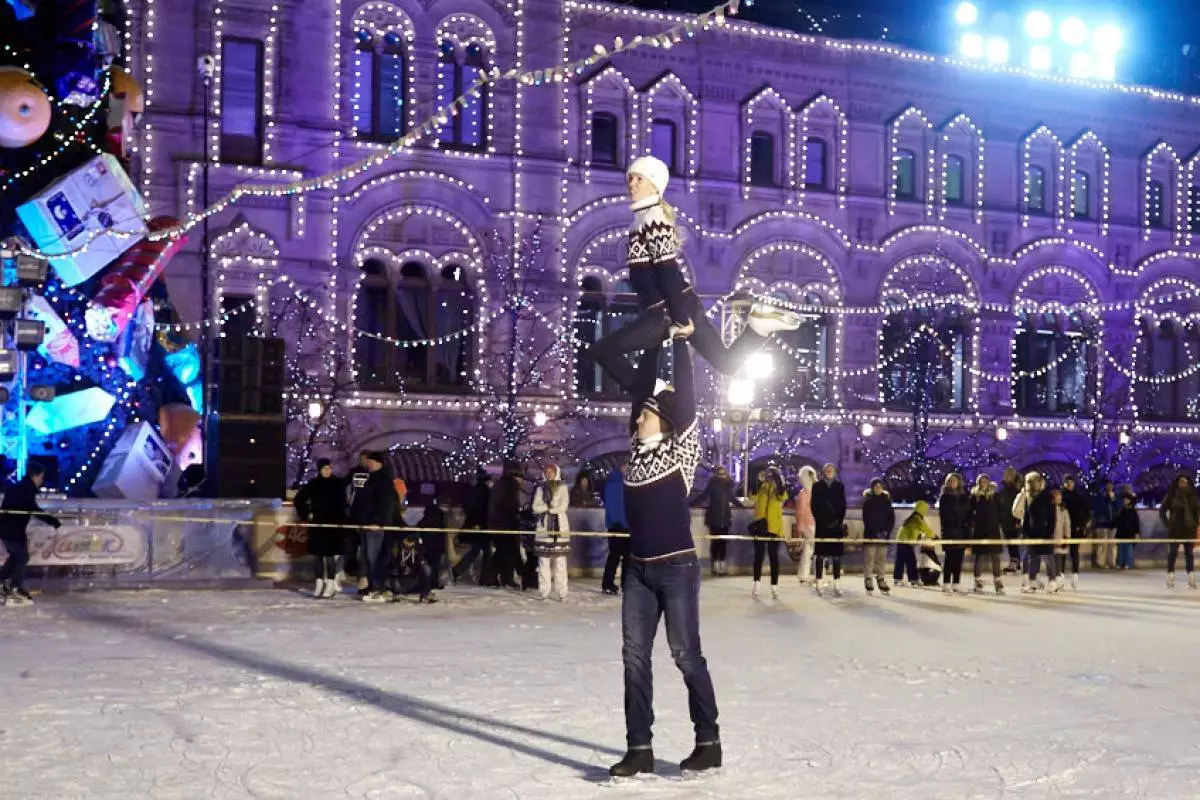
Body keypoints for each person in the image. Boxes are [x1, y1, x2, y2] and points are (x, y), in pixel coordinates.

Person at [584, 155, 801, 394]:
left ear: (654, 184)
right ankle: (758, 328)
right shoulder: (644, 218)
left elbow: (667, 269)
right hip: (679, 305)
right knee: (726, 363)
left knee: (601, 350)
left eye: (639, 179)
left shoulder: (652, 218)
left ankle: (653, 392)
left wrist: (680, 319)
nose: (632, 184)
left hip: (666, 311)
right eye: (630, 179)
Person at [609, 337, 720, 779]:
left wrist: (680, 343)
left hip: (676, 567)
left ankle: (708, 741)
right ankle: (639, 747)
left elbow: (686, 401)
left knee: (685, 654)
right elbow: (642, 388)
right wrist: (652, 339)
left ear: (667, 423)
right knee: (634, 657)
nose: (637, 417)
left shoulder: (681, 453)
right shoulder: (635, 453)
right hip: (637, 570)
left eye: (646, 414)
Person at [0, 462, 61, 606]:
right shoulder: (25, 489)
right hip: (12, 529)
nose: (41, 480)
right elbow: (33, 509)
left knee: (17, 556)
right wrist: (53, 521)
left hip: (9, 528)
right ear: (35, 475)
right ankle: (15, 589)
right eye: (41, 477)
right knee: (21, 557)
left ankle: (2, 581)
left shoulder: (21, 487)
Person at [294, 458, 347, 599]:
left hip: (333, 525)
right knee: (318, 556)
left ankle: (330, 584)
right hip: (317, 525)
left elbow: (343, 504)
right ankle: (318, 583)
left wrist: (340, 519)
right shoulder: (314, 484)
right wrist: (306, 514)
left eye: (329, 468)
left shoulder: (338, 484)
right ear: (319, 470)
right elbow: (298, 499)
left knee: (330, 556)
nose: (327, 471)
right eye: (324, 469)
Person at [350, 451, 397, 603]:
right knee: (366, 557)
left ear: (378, 463)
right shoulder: (371, 479)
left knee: (374, 557)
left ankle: (378, 587)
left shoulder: (383, 481)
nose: (367, 464)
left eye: (370, 461)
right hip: (366, 524)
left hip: (375, 526)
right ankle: (372, 586)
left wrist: (378, 521)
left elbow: (385, 504)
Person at [532, 463, 571, 601]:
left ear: (556, 472)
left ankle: (562, 591)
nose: (549, 474)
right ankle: (544, 590)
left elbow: (563, 506)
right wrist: (547, 507)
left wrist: (550, 509)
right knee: (543, 561)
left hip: (560, 527)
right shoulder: (540, 488)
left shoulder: (562, 487)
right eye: (546, 471)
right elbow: (535, 507)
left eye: (551, 471)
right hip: (543, 528)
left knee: (560, 561)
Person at [747, 466, 786, 598]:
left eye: (771, 475)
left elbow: (782, 496)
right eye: (768, 475)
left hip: (774, 527)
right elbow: (752, 497)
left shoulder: (778, 490)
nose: (769, 477)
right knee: (758, 556)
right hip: (760, 526)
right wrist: (757, 482)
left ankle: (774, 586)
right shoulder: (761, 488)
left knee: (774, 558)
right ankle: (756, 584)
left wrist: (778, 480)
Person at [487, 460, 525, 590]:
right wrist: (517, 519)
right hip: (506, 526)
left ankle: (490, 577)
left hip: (495, 525)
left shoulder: (499, 484)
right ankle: (506, 578)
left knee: (500, 552)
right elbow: (511, 507)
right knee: (509, 554)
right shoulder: (511, 486)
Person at [692, 465, 735, 576]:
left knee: (723, 543)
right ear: (716, 474)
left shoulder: (728, 486)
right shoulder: (712, 485)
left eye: (723, 474)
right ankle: (716, 566)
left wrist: (743, 505)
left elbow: (732, 498)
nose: (722, 476)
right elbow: (703, 496)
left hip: (725, 518)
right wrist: (690, 504)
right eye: (720, 474)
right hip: (714, 518)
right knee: (715, 543)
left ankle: (722, 565)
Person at [811, 463, 847, 596]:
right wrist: (822, 521)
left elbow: (843, 505)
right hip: (822, 525)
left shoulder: (839, 486)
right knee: (820, 555)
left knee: (836, 557)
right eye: (827, 469)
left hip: (836, 526)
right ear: (823, 471)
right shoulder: (817, 486)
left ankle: (837, 584)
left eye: (831, 469)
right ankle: (819, 582)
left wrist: (838, 521)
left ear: (835, 471)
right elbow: (814, 506)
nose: (829, 471)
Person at [1158, 473, 1198, 589]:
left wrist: (1196, 524)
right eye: (1181, 482)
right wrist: (1168, 524)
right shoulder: (1171, 495)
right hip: (1175, 529)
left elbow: (1197, 510)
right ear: (1177, 483)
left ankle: (1190, 575)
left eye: (1185, 482)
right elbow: (1162, 511)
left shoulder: (1192, 496)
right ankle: (1170, 574)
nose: (1183, 484)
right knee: (1173, 552)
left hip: (1189, 529)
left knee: (1189, 553)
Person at [452, 468, 492, 584]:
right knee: (484, 551)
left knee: (476, 550)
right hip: (481, 525)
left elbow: (467, 507)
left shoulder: (472, 491)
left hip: (474, 524)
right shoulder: (485, 492)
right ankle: (485, 577)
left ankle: (458, 570)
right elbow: (484, 509)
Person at [339, 450, 372, 588]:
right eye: (362, 458)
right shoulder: (354, 472)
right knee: (350, 543)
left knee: (366, 546)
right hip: (354, 513)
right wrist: (346, 504)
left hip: (368, 514)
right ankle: (349, 569)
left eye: (366, 459)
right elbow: (342, 485)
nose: (363, 461)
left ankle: (363, 574)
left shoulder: (374, 474)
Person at [1021, 473, 1058, 593]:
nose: (1034, 484)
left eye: (1036, 481)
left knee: (1048, 557)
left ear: (1040, 482)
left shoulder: (1048, 497)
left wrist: (1050, 532)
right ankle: (1032, 582)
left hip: (1045, 532)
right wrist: (1025, 531)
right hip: (1032, 533)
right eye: (1031, 482)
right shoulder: (1028, 497)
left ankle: (1052, 581)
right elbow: (1026, 516)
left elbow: (1053, 517)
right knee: (1033, 558)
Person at [970, 474, 1005, 594]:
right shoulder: (975, 497)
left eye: (985, 481)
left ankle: (998, 582)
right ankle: (978, 581)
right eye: (981, 481)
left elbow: (1000, 512)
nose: (984, 483)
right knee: (980, 557)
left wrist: (1001, 525)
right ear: (978, 483)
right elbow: (970, 512)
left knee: (996, 558)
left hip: (993, 531)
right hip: (980, 531)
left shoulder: (995, 496)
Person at [938, 472, 971, 594]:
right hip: (950, 532)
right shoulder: (944, 497)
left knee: (959, 559)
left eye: (954, 481)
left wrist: (966, 527)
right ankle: (946, 583)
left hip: (962, 532)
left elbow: (967, 513)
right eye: (950, 481)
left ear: (958, 483)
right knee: (949, 559)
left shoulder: (963, 497)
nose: (952, 483)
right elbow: (945, 515)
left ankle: (956, 582)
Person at [860, 478, 895, 595]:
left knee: (881, 559)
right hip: (871, 534)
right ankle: (868, 579)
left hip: (884, 536)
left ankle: (881, 579)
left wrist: (886, 532)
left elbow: (891, 518)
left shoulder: (886, 501)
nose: (878, 488)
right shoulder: (868, 501)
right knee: (869, 559)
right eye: (876, 486)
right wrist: (874, 532)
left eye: (880, 486)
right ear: (872, 488)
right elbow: (866, 519)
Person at [601, 462, 629, 594]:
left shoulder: (626, 483)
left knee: (627, 557)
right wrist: (617, 520)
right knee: (615, 556)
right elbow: (612, 505)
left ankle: (625, 583)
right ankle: (608, 583)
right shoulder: (613, 483)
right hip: (617, 525)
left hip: (627, 525)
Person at [1060, 476, 1091, 590]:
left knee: (1074, 552)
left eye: (1071, 482)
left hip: (1075, 529)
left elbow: (1086, 512)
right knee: (1061, 552)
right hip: (1062, 529)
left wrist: (1082, 526)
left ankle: (1075, 576)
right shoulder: (1060, 496)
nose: (1070, 484)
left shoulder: (1079, 497)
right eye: (1068, 482)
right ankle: (1061, 576)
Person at [388, 533, 437, 603]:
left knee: (425, 567)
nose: (409, 543)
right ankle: (396, 593)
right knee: (394, 571)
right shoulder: (396, 549)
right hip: (400, 578)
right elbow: (392, 565)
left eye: (412, 541)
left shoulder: (417, 549)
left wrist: (417, 549)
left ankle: (425, 594)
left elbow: (421, 561)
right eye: (408, 540)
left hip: (413, 578)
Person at [789, 465, 817, 584]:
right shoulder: (803, 494)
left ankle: (809, 575)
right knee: (810, 549)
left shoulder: (814, 491)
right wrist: (800, 528)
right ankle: (806, 575)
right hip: (809, 524)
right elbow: (799, 512)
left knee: (812, 549)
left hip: (815, 523)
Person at [896, 499, 932, 587]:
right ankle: (911, 579)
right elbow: (926, 528)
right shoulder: (917, 518)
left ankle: (902, 579)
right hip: (905, 541)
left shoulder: (913, 517)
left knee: (904, 560)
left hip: (903, 540)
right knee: (908, 561)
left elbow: (919, 530)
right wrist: (934, 536)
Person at [414, 497, 447, 590]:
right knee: (435, 566)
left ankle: (428, 583)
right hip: (437, 547)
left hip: (426, 546)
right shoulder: (441, 521)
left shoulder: (425, 520)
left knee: (426, 566)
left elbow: (418, 528)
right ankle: (434, 582)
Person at [997, 466, 1022, 573]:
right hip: (1005, 521)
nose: (1008, 477)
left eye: (1010, 475)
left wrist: (1017, 521)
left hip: (1013, 521)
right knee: (1010, 543)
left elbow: (1019, 507)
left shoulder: (1016, 490)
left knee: (1013, 543)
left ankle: (1015, 563)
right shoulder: (1002, 490)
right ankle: (1015, 562)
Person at [1091, 480, 1119, 570]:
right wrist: (1105, 499)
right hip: (1102, 523)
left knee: (1111, 544)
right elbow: (1097, 508)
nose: (1109, 487)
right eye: (1108, 485)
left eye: (1111, 485)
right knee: (1102, 544)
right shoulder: (1100, 496)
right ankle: (1101, 562)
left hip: (1113, 523)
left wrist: (1113, 499)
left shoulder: (1115, 496)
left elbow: (1118, 508)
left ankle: (1111, 562)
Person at [1115, 491, 1140, 570]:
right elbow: (1118, 521)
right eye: (1124, 499)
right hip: (1121, 533)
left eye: (1126, 499)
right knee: (1121, 550)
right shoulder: (1122, 510)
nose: (1125, 501)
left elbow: (1136, 523)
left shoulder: (1133, 511)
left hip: (1130, 533)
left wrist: (1136, 533)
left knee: (1129, 550)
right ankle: (1120, 563)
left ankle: (1128, 564)